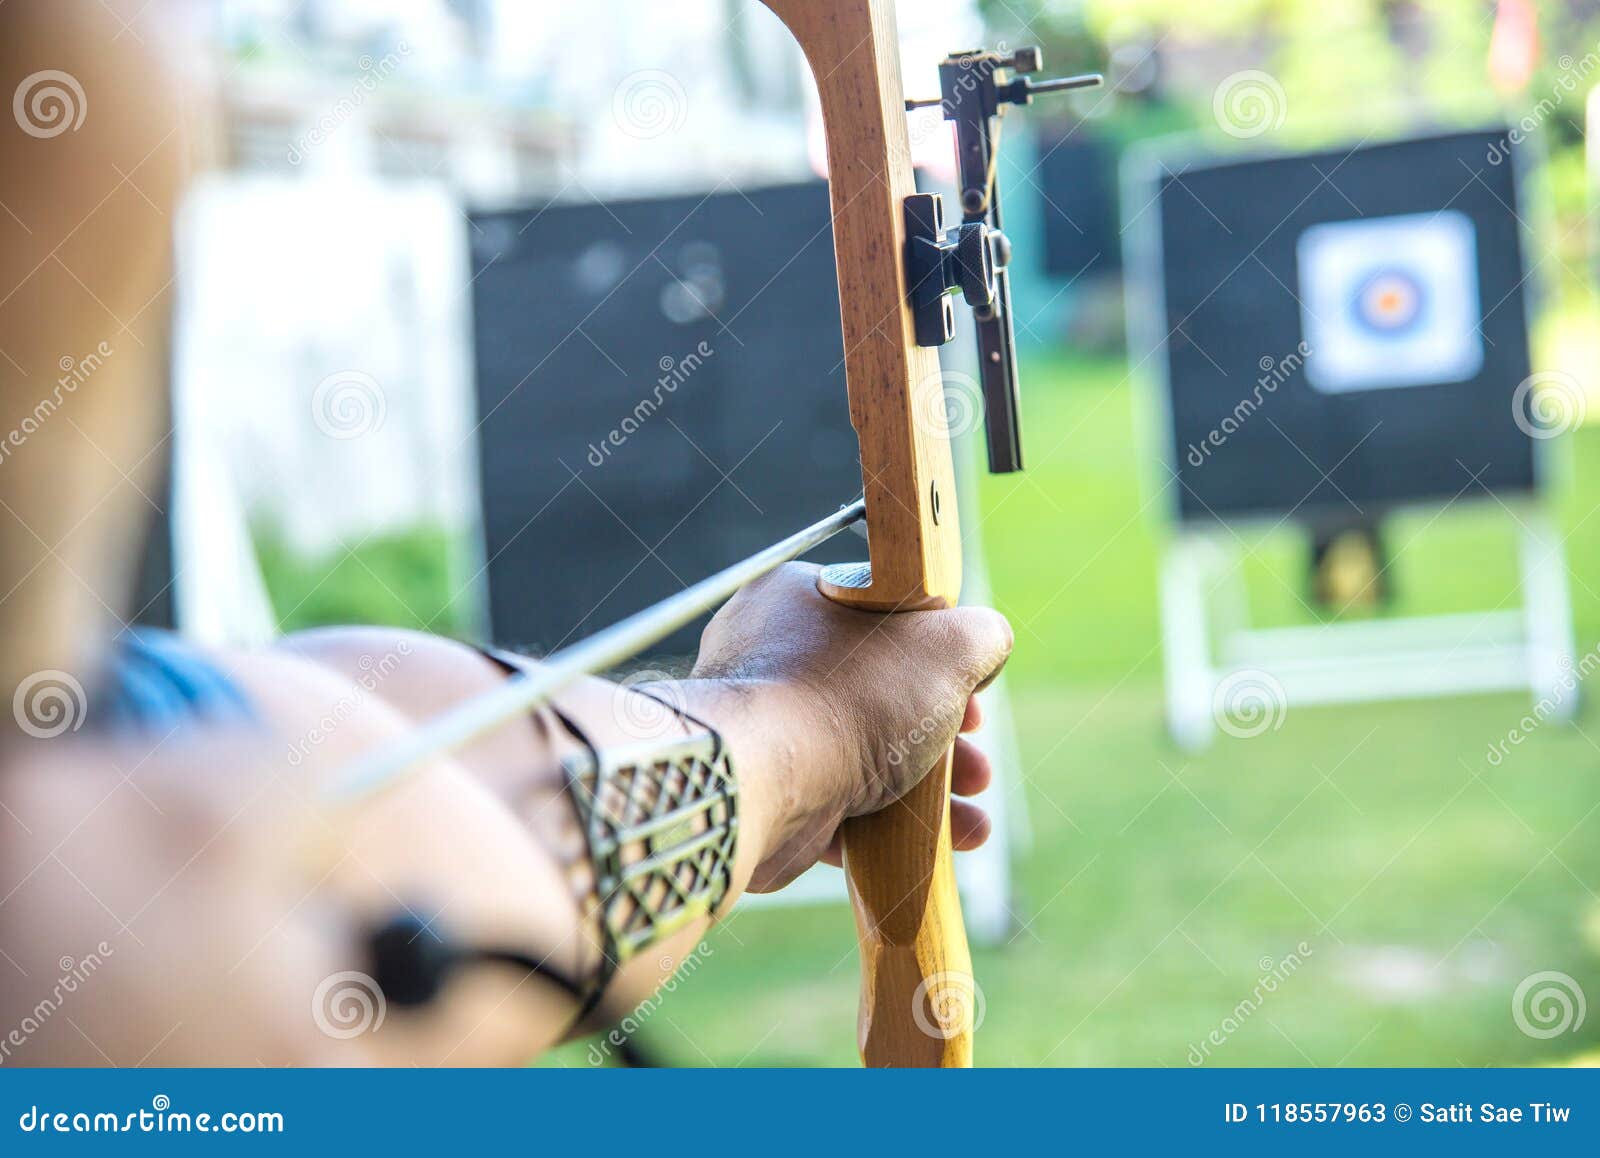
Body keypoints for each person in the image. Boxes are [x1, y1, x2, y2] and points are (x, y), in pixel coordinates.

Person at [0, 0, 1013, 1064]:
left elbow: (370, 729)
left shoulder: (128, 730)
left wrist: (786, 715)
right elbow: (248, 941)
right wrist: (805, 740)